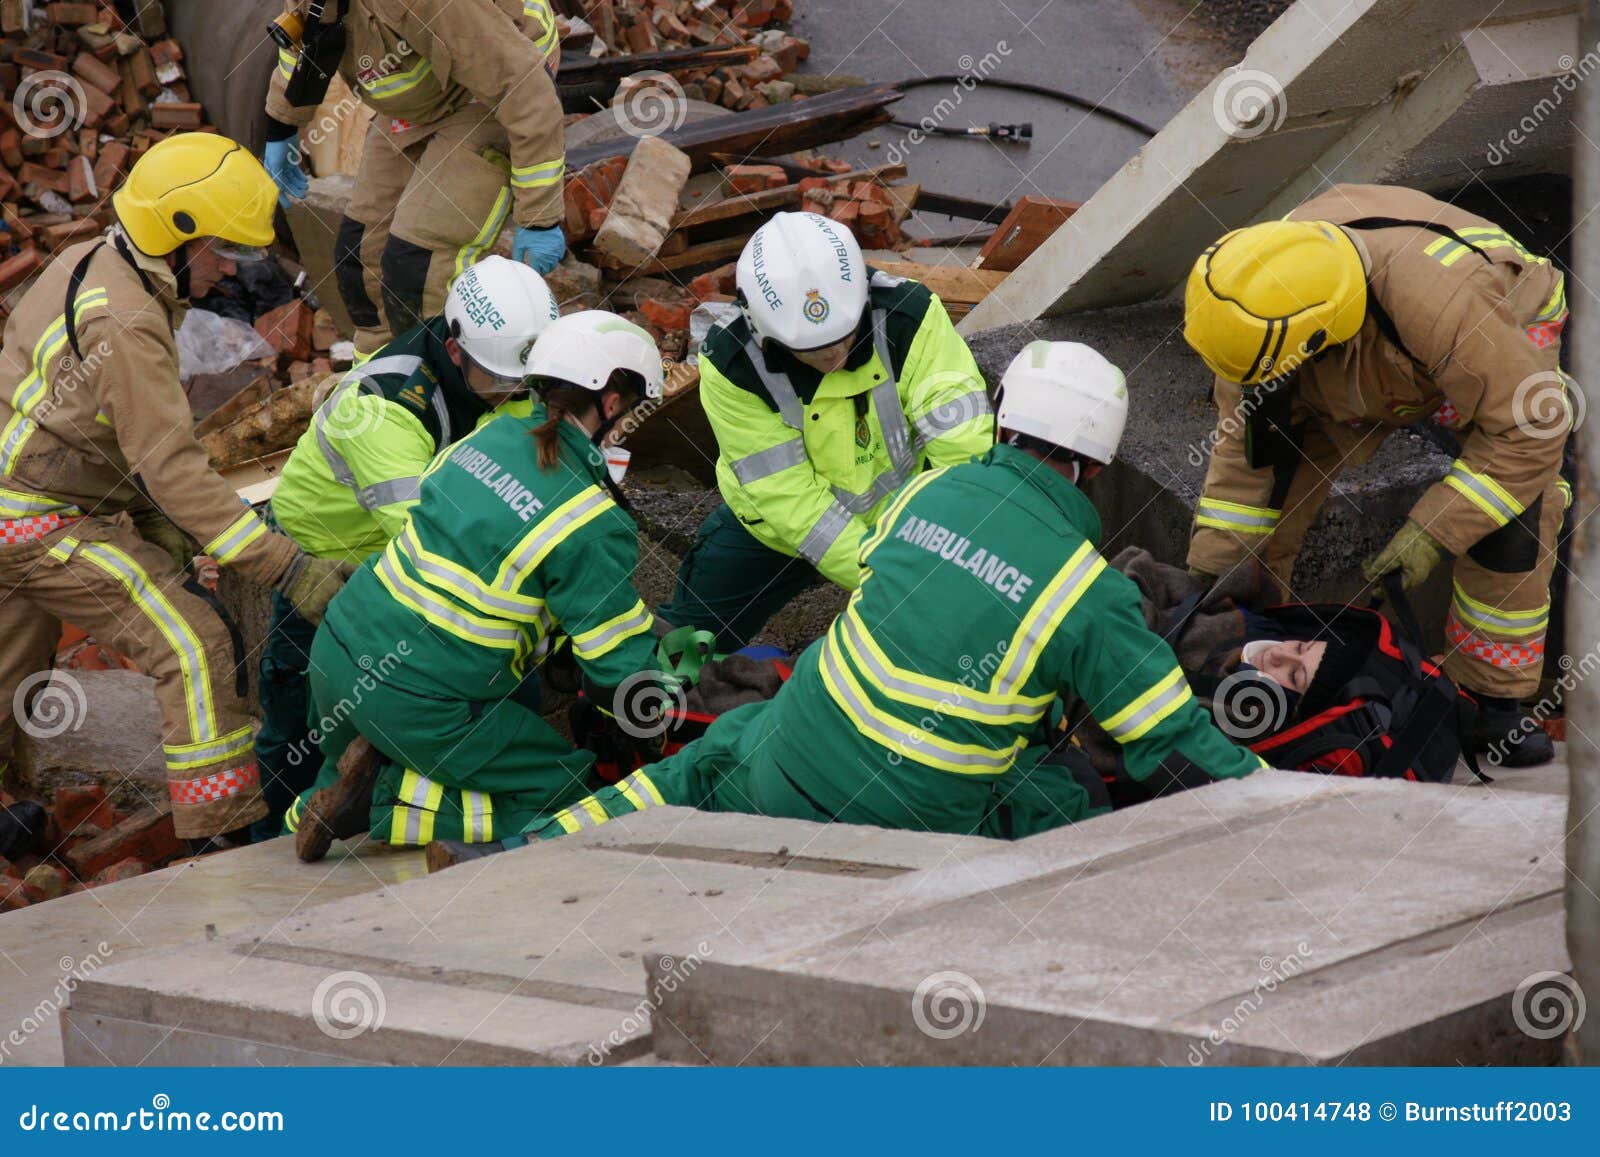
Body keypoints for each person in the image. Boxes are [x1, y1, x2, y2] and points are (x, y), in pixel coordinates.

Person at [428, 341, 1264, 865]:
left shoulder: (921, 499)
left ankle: (521, 856)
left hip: (795, 751)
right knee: (1069, 800)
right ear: (1093, 466)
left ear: (1007, 427)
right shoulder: (1084, 592)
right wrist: (1297, 807)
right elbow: (1176, 745)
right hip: (914, 818)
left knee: (699, 763)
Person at [0, 133, 349, 843]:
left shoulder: (90, 258)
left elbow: (80, 418)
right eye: (222, 249)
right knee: (191, 640)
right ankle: (219, 837)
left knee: (9, 663)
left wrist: (133, 508)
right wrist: (287, 567)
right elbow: (173, 467)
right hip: (38, 521)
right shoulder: (127, 322)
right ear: (177, 233)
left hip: (19, 494)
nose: (228, 269)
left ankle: (5, 809)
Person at [1183, 185, 1572, 767]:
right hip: (1361, 343)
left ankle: (1491, 703)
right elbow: (1243, 478)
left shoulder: (1449, 307)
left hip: (1502, 325)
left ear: (1320, 340)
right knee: (1272, 471)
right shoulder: (1251, 306)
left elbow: (1528, 432)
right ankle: (1241, 639)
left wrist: (1433, 530)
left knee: (1513, 509)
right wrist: (1204, 597)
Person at [289, 310, 667, 862]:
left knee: (337, 765)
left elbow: (482, 557)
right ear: (612, 403)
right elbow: (615, 664)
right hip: (416, 698)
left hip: (337, 652)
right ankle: (378, 806)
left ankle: (311, 809)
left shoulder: (487, 438)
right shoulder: (591, 518)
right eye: (636, 407)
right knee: (564, 790)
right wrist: (655, 716)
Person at [252, 255, 558, 838]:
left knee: (496, 696)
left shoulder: (503, 370)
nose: (510, 395)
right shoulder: (385, 408)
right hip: (326, 561)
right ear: (455, 347)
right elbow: (431, 537)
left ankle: (409, 799)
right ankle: (270, 839)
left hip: (403, 559)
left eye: (523, 382)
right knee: (299, 724)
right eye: (499, 381)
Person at [656, 212, 995, 651]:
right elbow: (791, 501)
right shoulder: (731, 365)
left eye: (844, 337)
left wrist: (949, 554)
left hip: (906, 518)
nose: (834, 355)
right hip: (776, 530)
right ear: (762, 329)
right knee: (688, 641)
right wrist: (890, 580)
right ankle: (638, 704)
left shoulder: (911, 318)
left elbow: (964, 452)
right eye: (812, 350)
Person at [261, 0, 566, 358]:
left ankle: (443, 393)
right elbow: (307, 35)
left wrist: (540, 218)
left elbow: (525, 90)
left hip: (489, 88)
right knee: (359, 257)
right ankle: (381, 389)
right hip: (422, 94)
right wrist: (281, 124)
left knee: (419, 265)